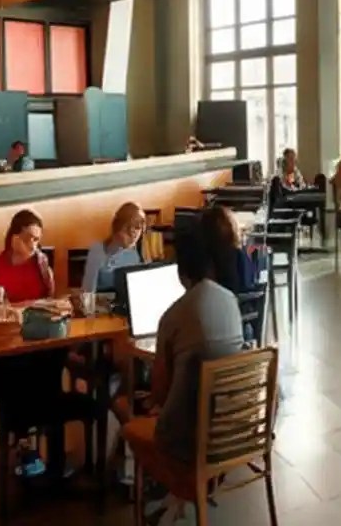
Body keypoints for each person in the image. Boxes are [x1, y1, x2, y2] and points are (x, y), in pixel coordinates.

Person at [120, 217, 244, 524]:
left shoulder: (172, 317)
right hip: (233, 432)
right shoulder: (231, 302)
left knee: (126, 406)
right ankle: (182, 493)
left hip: (188, 443)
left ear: (181, 270)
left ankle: (165, 486)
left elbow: (158, 396)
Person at [0, 210, 83, 479]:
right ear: (13, 238)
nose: (35, 246)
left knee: (53, 359)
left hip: (31, 354)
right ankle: (27, 444)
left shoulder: (39, 269)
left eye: (38, 240)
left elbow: (46, 307)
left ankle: (45, 453)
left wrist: (50, 284)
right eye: (30, 239)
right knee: (37, 374)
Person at [0, 209, 55, 305]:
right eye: (26, 239)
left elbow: (48, 305)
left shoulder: (42, 270)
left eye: (36, 240)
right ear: (13, 237)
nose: (32, 246)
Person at [82, 203, 145, 293]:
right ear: (117, 227)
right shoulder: (97, 250)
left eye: (138, 228)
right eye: (128, 229)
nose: (133, 236)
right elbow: (87, 293)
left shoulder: (134, 253)